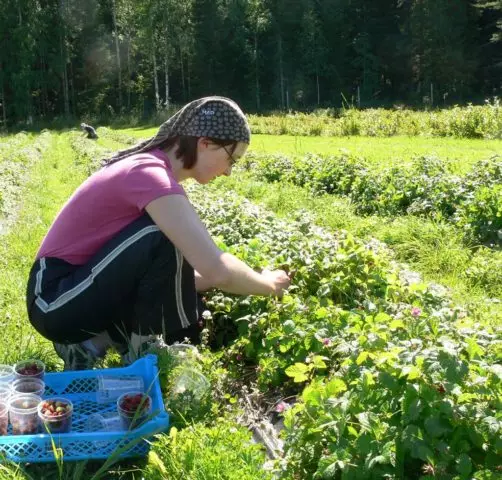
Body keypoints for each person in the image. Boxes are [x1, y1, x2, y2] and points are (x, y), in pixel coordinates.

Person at [26, 96, 291, 370]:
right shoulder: (149, 175)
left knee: (188, 295)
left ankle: (89, 345)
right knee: (163, 237)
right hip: (53, 300)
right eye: (231, 159)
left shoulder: (152, 172)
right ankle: (144, 357)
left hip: (69, 295)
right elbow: (218, 269)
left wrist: (223, 282)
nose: (228, 173)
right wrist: (269, 286)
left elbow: (175, 276)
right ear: (206, 143)